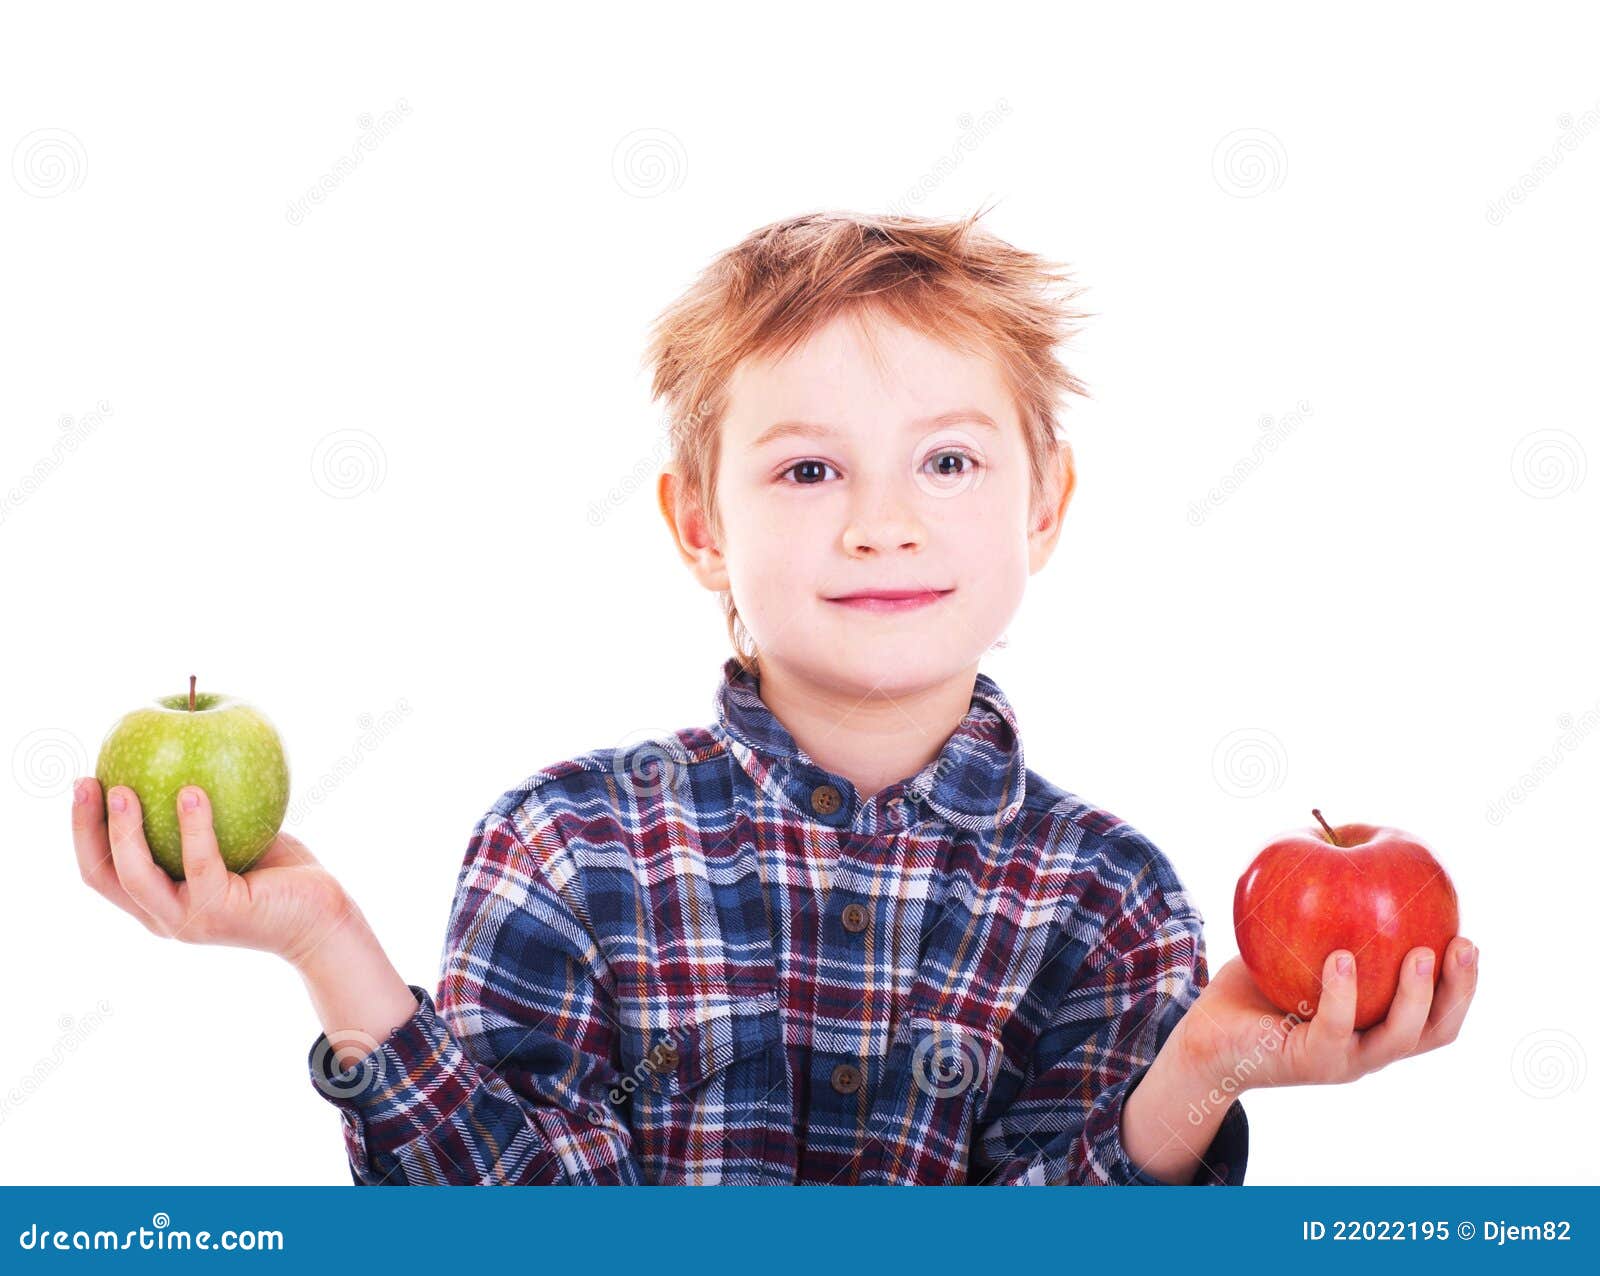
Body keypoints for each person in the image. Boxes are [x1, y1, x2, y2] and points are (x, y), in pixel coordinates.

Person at [71, 207, 1479, 1185]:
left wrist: (1204, 1075)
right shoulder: (564, 849)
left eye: (948, 463)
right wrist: (328, 948)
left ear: (1044, 508)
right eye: (809, 471)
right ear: (698, 526)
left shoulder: (1108, 900)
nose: (881, 524)